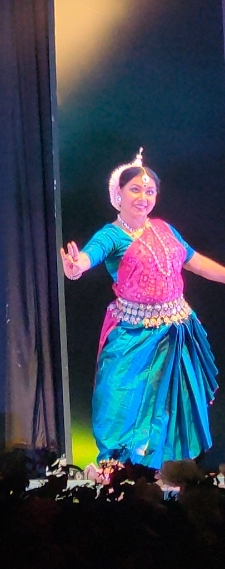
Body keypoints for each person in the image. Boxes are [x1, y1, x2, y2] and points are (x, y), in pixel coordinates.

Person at [61, 150, 224, 471]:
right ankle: (118, 469)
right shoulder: (111, 235)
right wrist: (74, 267)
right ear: (116, 195)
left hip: (175, 332)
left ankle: (168, 471)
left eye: (149, 191)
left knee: (168, 406)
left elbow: (195, 262)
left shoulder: (164, 228)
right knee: (119, 399)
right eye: (135, 189)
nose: (143, 197)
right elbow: (88, 258)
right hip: (132, 336)